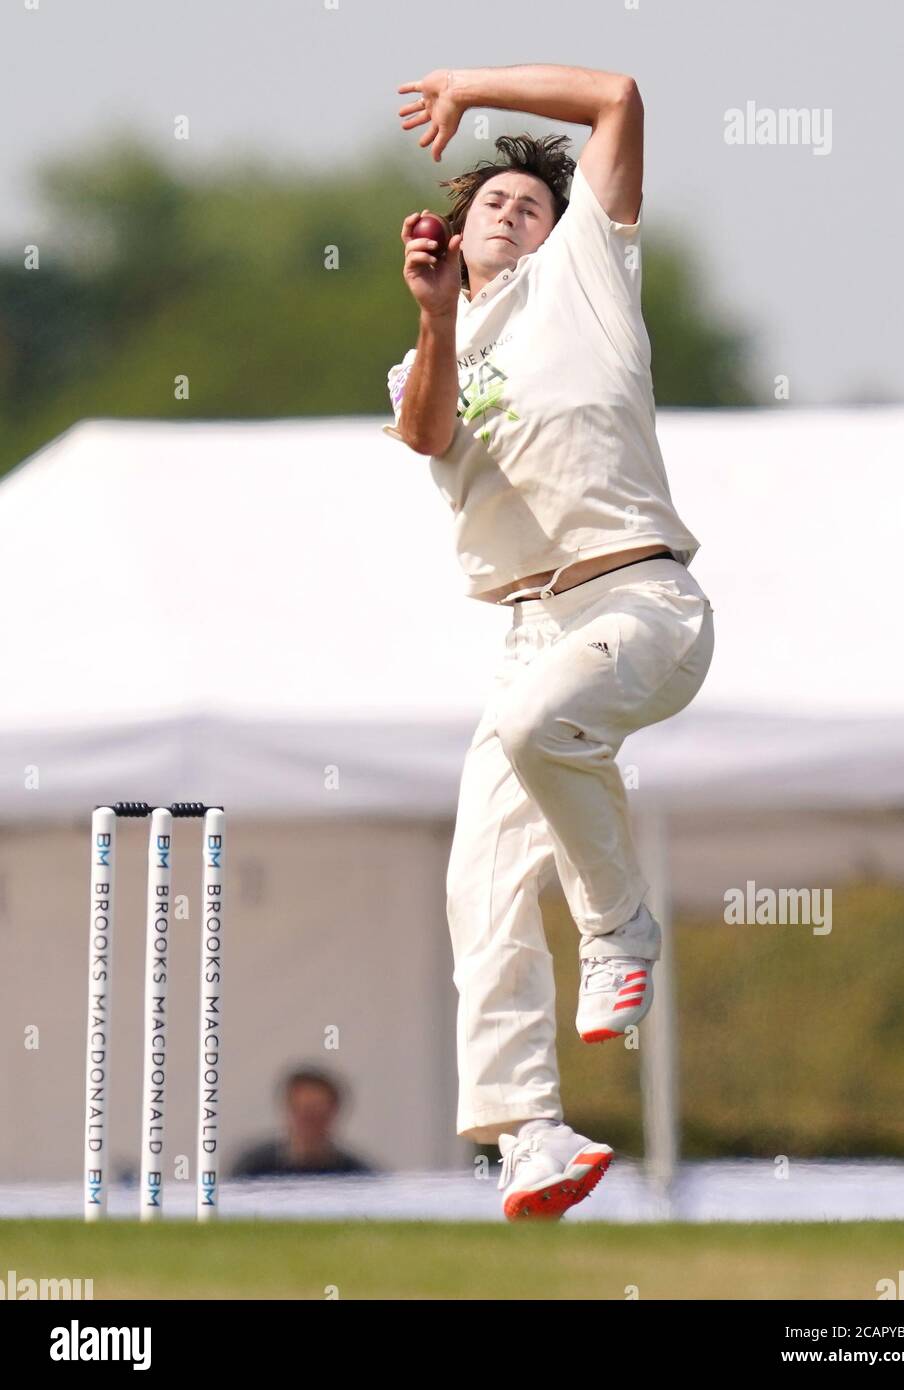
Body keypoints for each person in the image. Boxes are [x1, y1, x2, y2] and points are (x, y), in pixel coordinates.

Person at [384, 65, 714, 1220]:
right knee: (478, 883)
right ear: (458, 232)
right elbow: (428, 435)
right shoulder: (433, 345)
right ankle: (529, 1132)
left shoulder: (590, 267)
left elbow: (622, 95)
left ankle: (620, 924)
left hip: (641, 604)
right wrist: (434, 318)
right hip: (528, 625)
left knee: (537, 730)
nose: (517, 212)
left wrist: (473, 84)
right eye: (495, 204)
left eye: (535, 200)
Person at [231, 1066, 376, 1178]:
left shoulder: (358, 1176)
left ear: (334, 1113)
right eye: (302, 1113)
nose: (308, 1124)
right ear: (287, 1111)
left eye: (317, 1114)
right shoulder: (252, 1170)